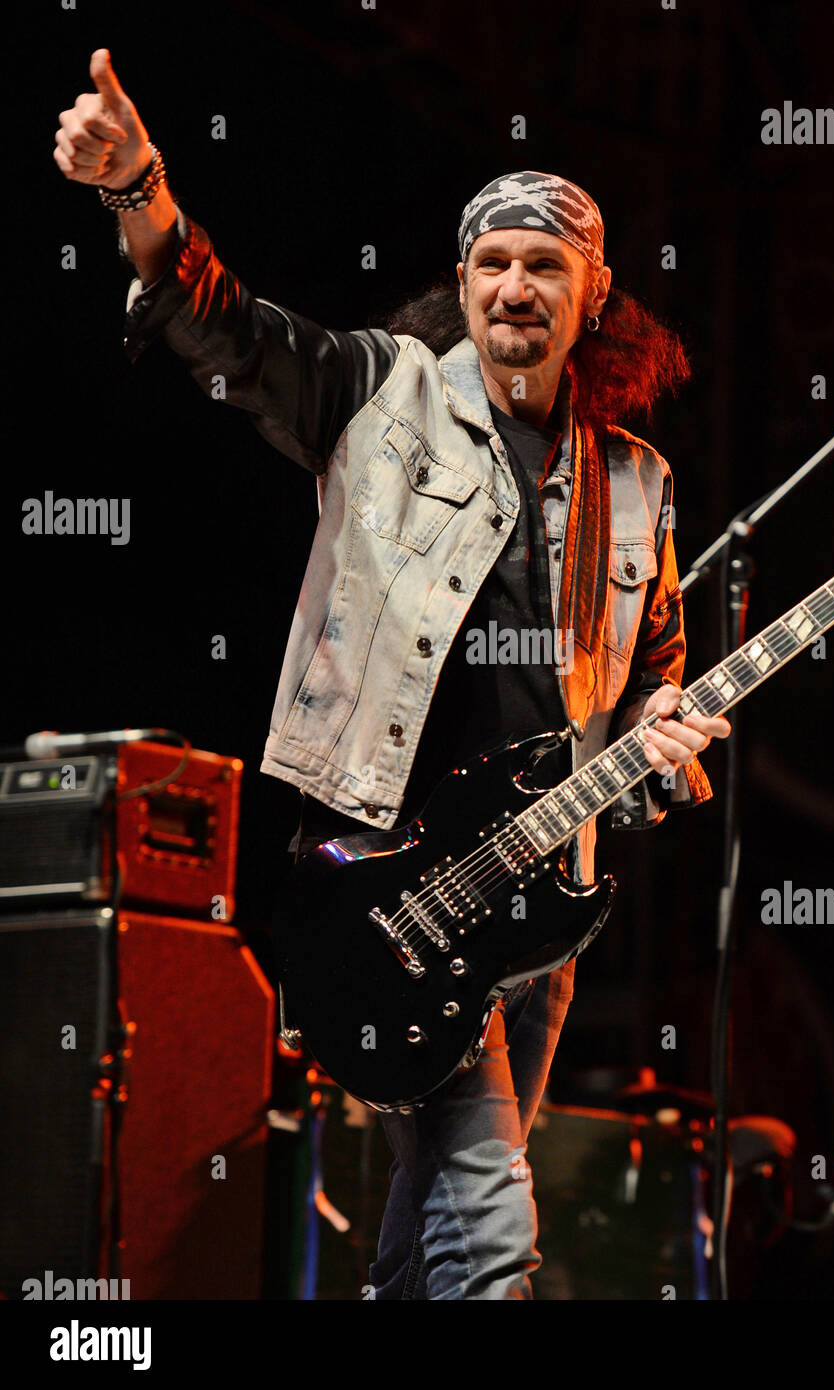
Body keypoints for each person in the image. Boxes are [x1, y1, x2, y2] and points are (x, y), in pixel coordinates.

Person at [55, 49, 732, 1300]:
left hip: (542, 891)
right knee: (486, 1211)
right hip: (384, 877)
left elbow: (655, 679)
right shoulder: (380, 393)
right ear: (461, 280)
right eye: (491, 261)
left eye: (544, 264)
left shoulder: (637, 480)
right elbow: (226, 326)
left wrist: (668, 739)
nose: (513, 285)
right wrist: (137, 186)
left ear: (595, 294)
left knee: (428, 1217)